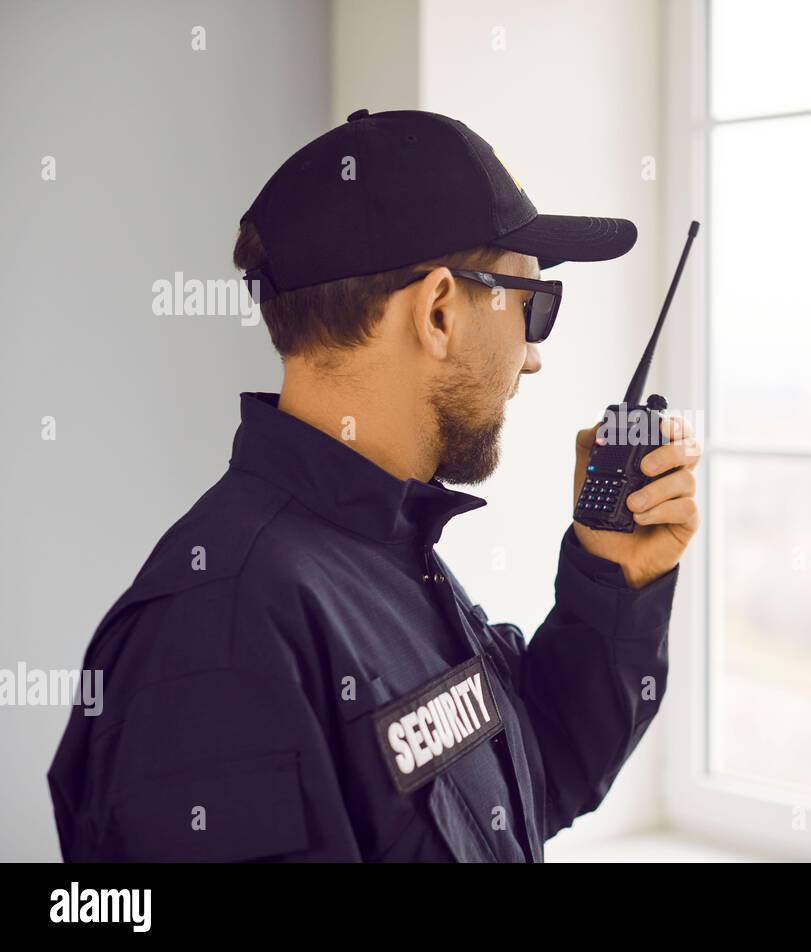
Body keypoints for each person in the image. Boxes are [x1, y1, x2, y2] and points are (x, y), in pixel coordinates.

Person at [47, 109, 701, 862]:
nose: (531, 359)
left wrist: (610, 578)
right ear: (440, 312)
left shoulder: (386, 550)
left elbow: (532, 780)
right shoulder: (218, 632)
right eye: (532, 307)